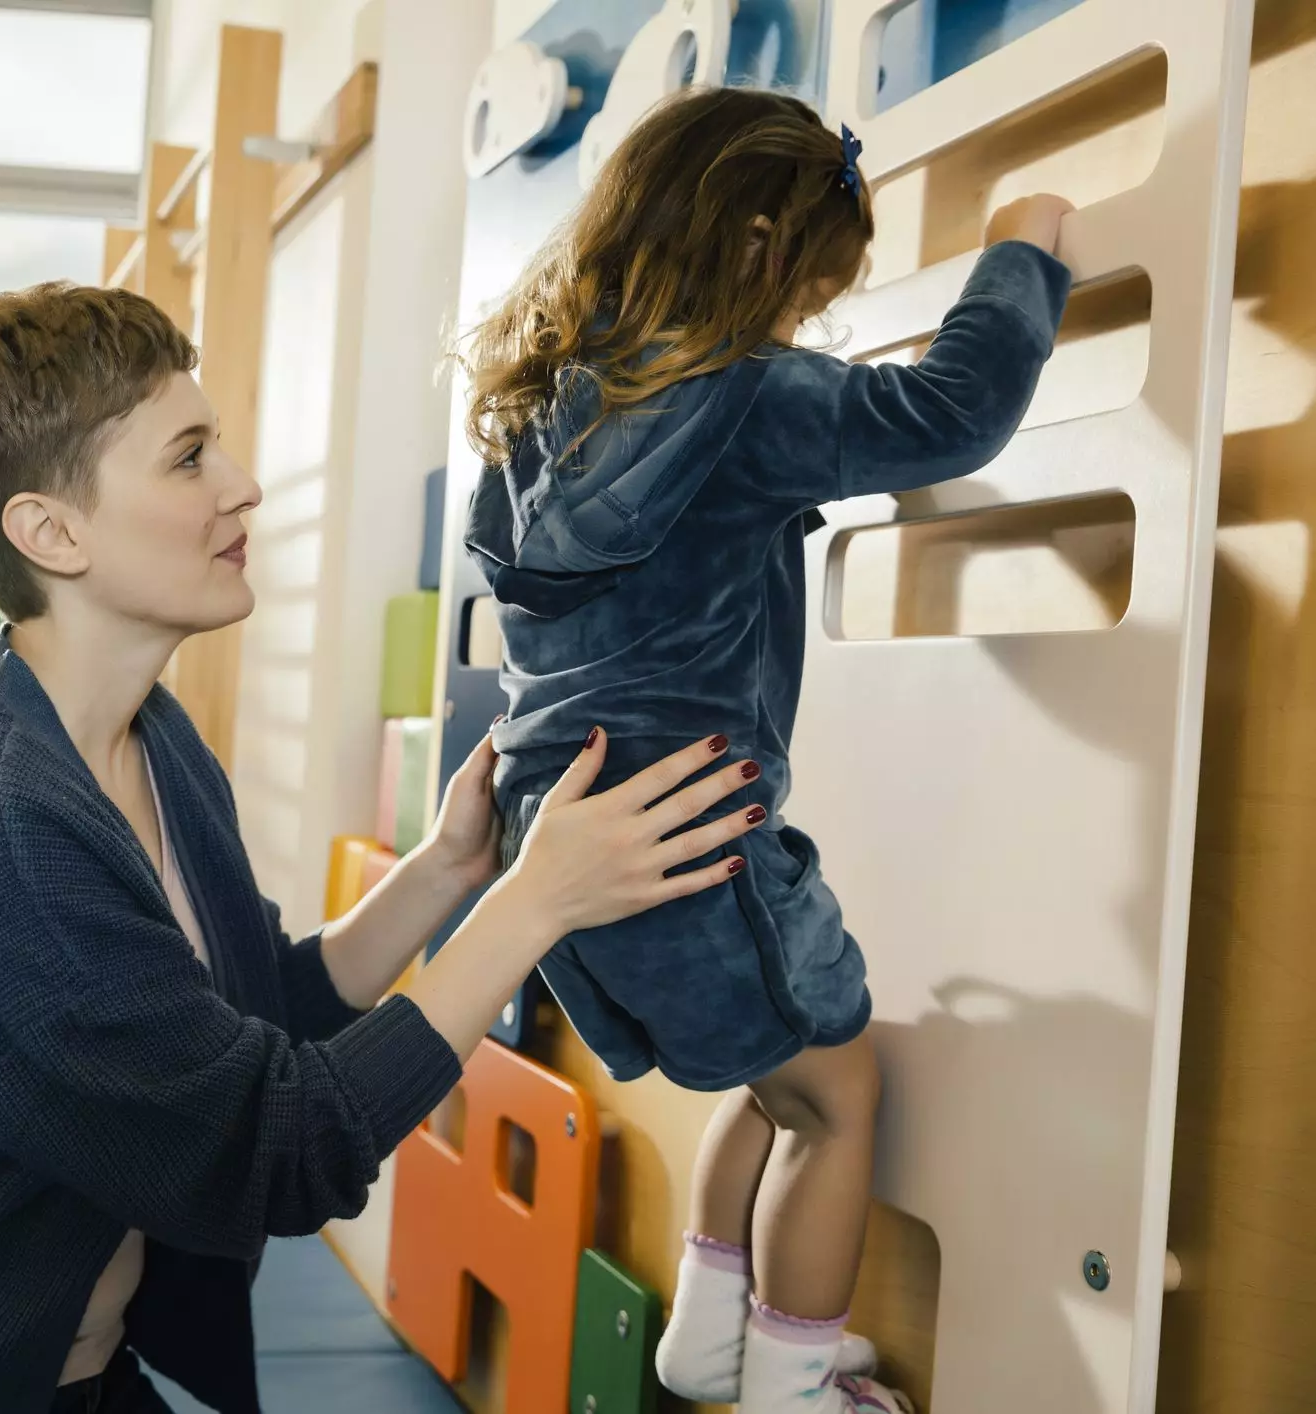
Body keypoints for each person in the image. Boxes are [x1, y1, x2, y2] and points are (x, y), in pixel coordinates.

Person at [0, 284, 782, 1414]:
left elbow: (247, 1008)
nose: (243, 485)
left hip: (73, 1376)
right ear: (51, 531)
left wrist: (447, 873)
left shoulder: (148, 736)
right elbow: (273, 1149)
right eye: (188, 458)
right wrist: (532, 909)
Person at [461, 88, 1072, 1414]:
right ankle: (795, 1383)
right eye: (802, 293)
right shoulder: (742, 400)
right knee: (837, 1090)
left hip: (558, 834)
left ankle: (704, 1340)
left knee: (771, 1067)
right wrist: (1020, 250)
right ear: (752, 248)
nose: (797, 325)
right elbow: (948, 416)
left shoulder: (540, 411)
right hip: (684, 837)